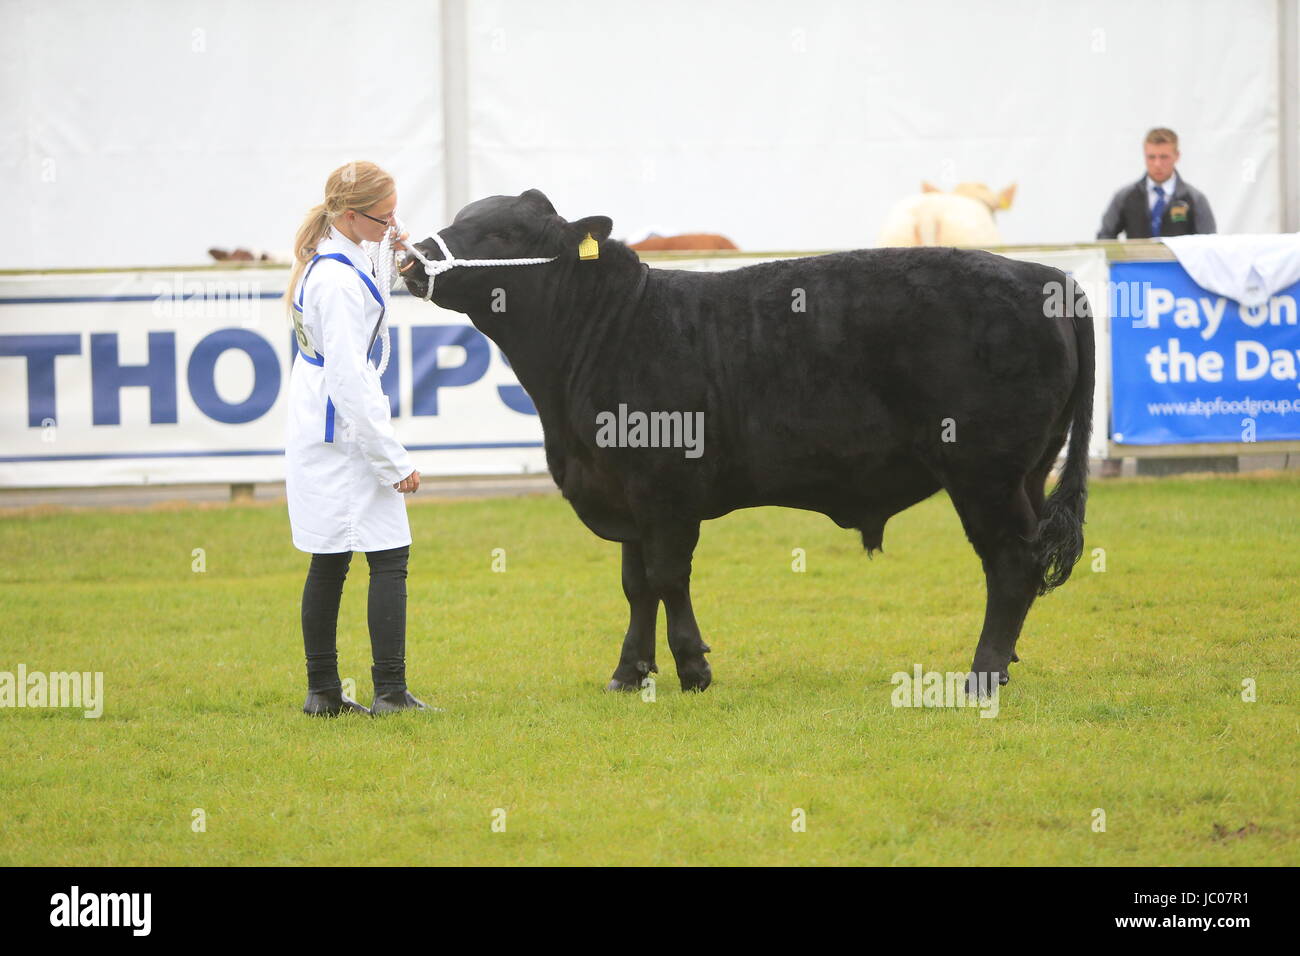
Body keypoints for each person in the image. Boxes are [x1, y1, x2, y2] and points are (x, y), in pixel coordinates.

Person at [282, 160, 430, 717]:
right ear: (349, 216)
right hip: (342, 428)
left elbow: (372, 287)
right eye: (383, 216)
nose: (394, 225)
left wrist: (390, 250)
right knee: (388, 553)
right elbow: (349, 379)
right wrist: (392, 459)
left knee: (331, 557)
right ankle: (389, 692)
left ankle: (323, 691)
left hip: (324, 421)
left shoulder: (335, 256)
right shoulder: (338, 282)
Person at [1097, 128, 1216, 239]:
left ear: (1177, 156)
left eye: (1164, 157)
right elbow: (1104, 239)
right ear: (1144, 156)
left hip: (1177, 262)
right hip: (1137, 261)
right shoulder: (1125, 197)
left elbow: (1209, 245)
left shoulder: (1195, 199)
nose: (1157, 164)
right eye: (1151, 157)